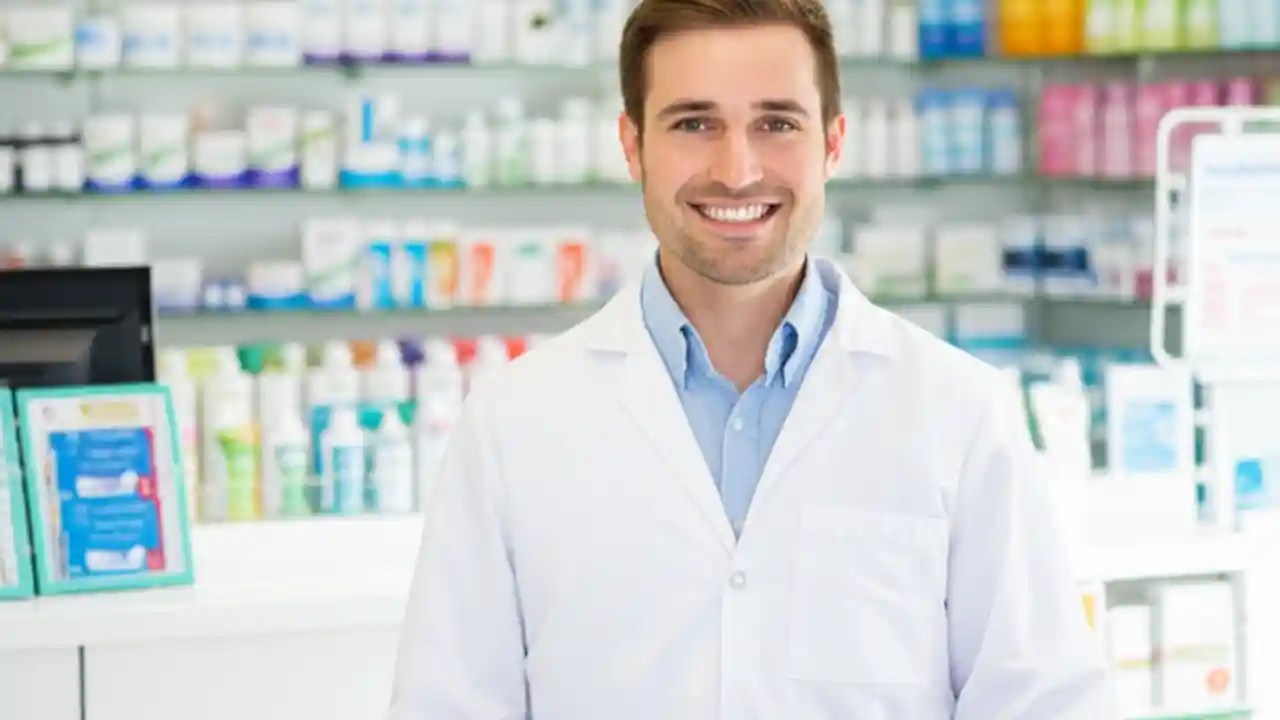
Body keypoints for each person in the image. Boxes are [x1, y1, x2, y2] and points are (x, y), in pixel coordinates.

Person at [388, 1, 1112, 717]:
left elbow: (1041, 702)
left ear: (833, 143)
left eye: (777, 123)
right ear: (633, 144)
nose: (737, 171)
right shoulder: (515, 423)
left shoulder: (958, 411)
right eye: (695, 123)